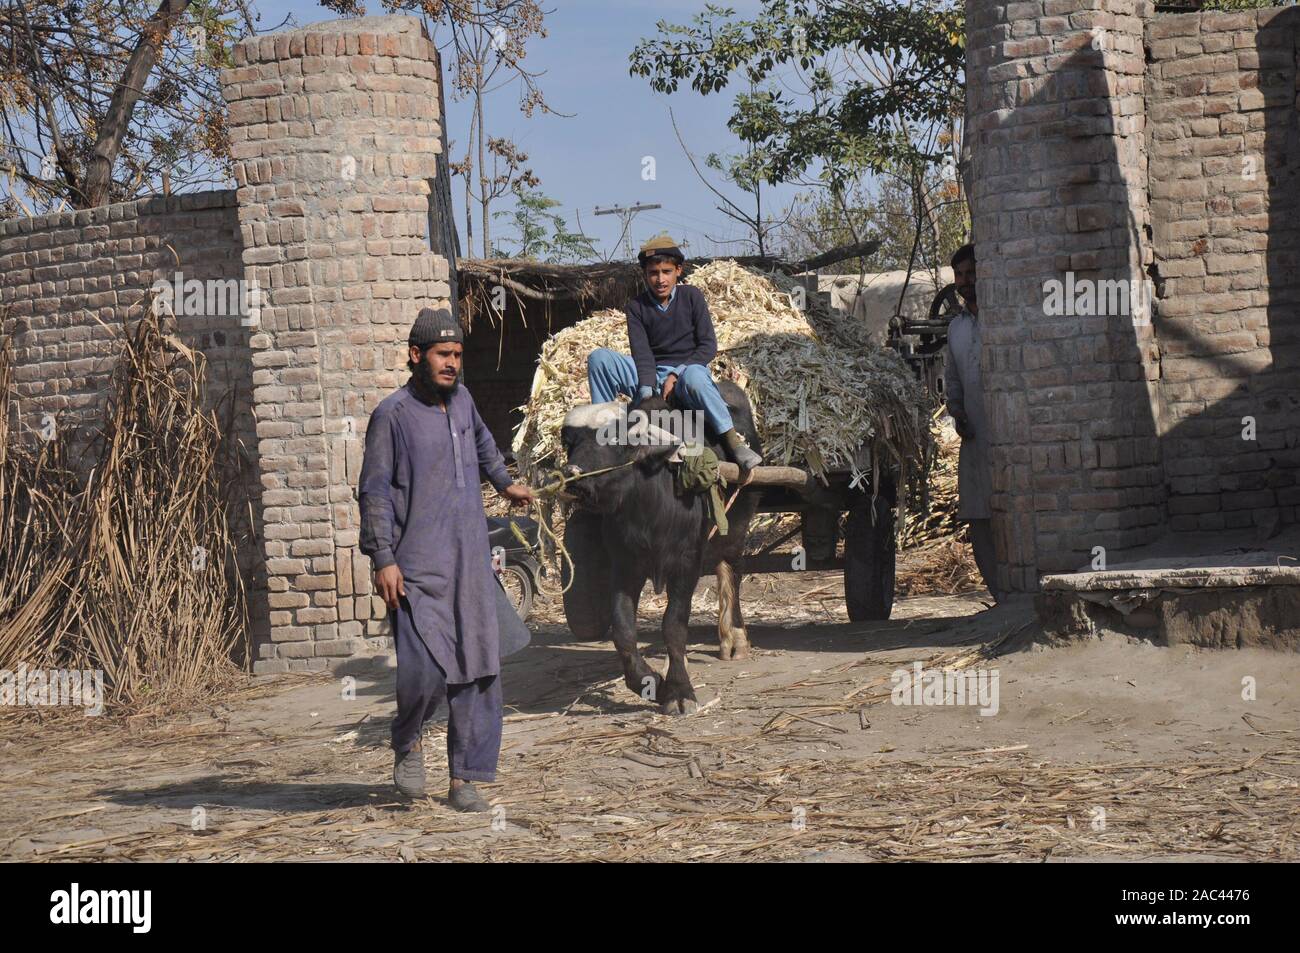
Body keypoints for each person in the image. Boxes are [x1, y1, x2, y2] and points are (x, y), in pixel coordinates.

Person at [358, 306, 533, 810]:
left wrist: (504, 481)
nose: (452, 363)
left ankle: (465, 777)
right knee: (424, 670)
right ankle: (408, 740)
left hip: (470, 563)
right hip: (417, 568)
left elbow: (483, 443)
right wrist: (383, 557)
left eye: (457, 354)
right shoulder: (392, 416)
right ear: (417, 356)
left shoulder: (463, 404)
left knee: (478, 669)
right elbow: (374, 493)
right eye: (442, 354)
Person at [586, 234, 762, 469]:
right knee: (599, 359)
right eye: (653, 273)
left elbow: (707, 345)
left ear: (678, 270)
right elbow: (642, 353)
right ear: (645, 274)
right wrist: (646, 393)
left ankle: (734, 443)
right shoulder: (637, 307)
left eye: (666, 271)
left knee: (697, 378)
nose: (660, 279)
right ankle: (603, 435)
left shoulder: (692, 297)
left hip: (686, 373)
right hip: (648, 371)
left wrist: (676, 374)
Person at [944, 243, 1001, 601]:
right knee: (980, 519)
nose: (965, 282)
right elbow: (952, 382)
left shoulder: (1003, 320)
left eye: (970, 273)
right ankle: (999, 598)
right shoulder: (957, 329)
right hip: (975, 440)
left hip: (1008, 439)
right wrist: (957, 412)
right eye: (959, 276)